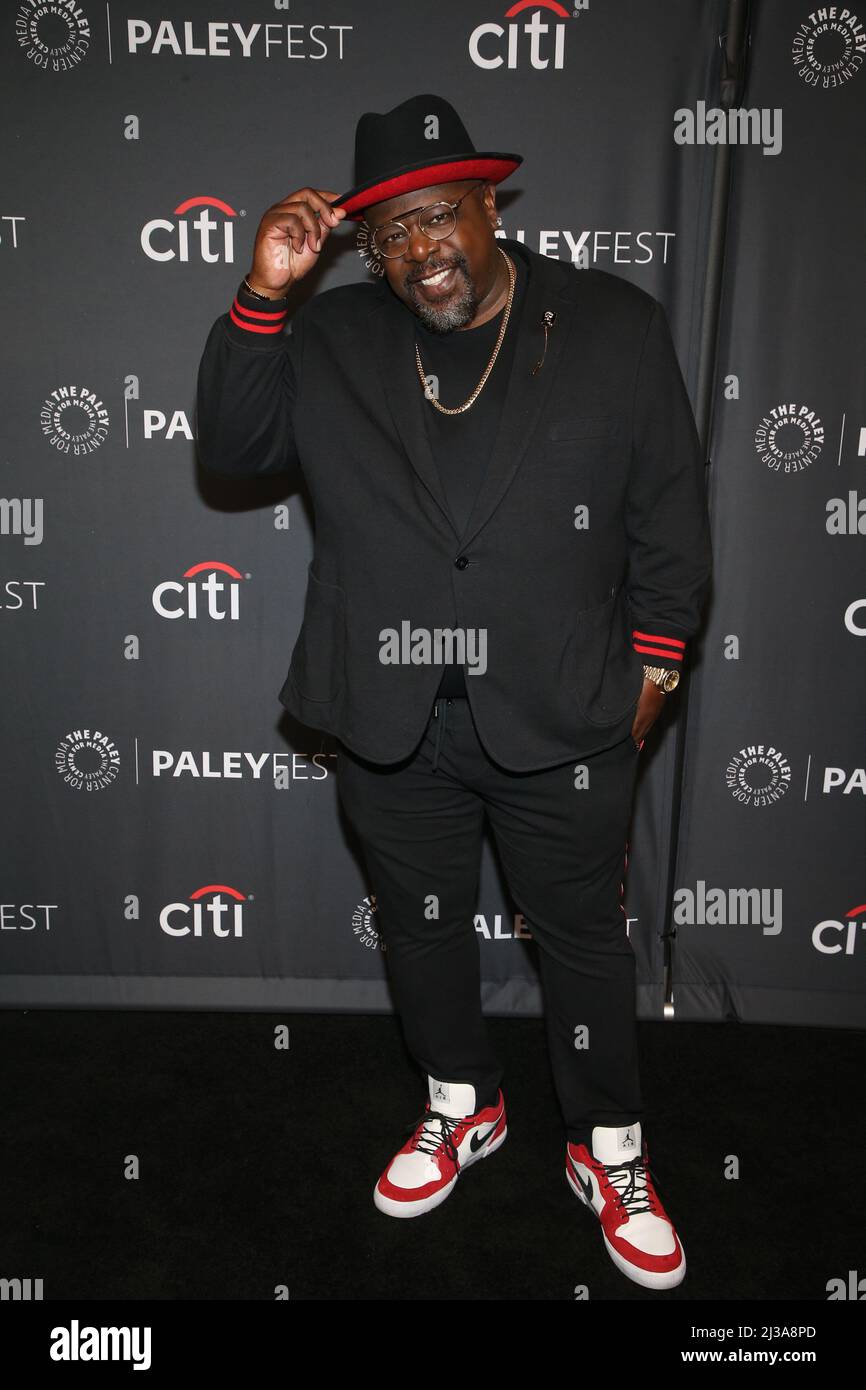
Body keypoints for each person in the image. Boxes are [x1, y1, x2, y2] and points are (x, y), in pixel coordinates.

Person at [196, 93, 712, 1292]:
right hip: (387, 713)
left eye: (440, 217)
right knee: (420, 933)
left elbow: (668, 512)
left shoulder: (610, 324)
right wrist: (266, 291)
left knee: (581, 943)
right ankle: (458, 1103)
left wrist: (656, 658)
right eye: (390, 234)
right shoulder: (327, 337)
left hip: (562, 705)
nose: (420, 248)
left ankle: (608, 1147)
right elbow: (229, 446)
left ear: (490, 205)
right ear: (365, 248)